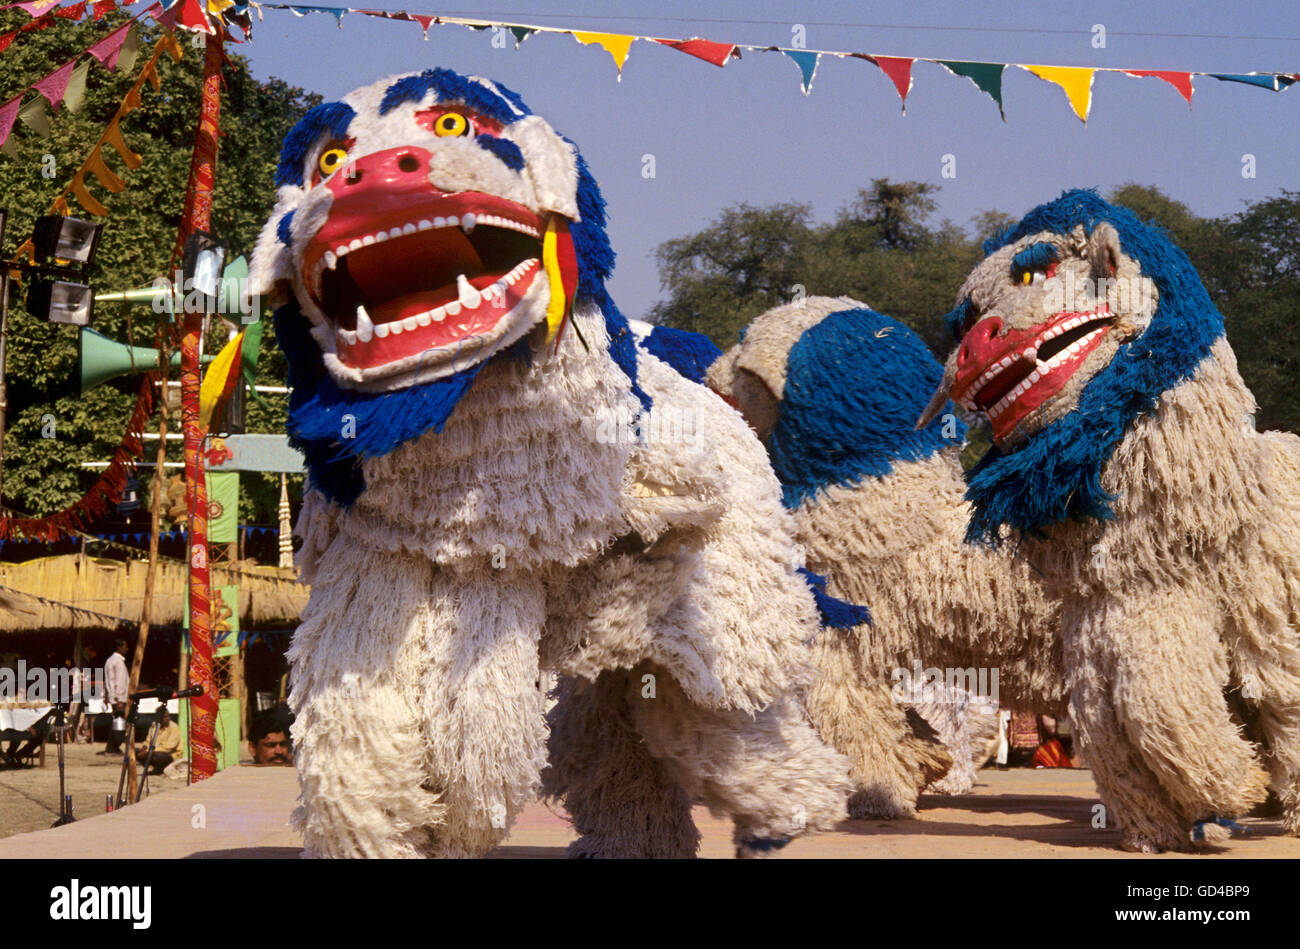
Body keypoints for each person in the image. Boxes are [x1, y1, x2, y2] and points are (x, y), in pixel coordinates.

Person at [101, 639, 129, 756]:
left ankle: (113, 747)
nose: (127, 649)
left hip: (113, 697)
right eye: (125, 646)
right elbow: (120, 682)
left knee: (117, 722)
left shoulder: (109, 661)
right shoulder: (118, 662)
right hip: (118, 699)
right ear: (119, 647)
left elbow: (107, 681)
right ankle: (112, 748)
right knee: (119, 723)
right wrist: (120, 700)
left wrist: (107, 696)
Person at [135, 706, 182, 774]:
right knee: (134, 752)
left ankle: (159, 770)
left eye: (168, 716)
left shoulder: (173, 727)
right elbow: (148, 741)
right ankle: (155, 768)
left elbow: (169, 748)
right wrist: (144, 748)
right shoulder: (154, 726)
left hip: (170, 755)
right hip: (153, 751)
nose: (168, 719)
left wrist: (149, 751)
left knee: (158, 756)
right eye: (165, 717)